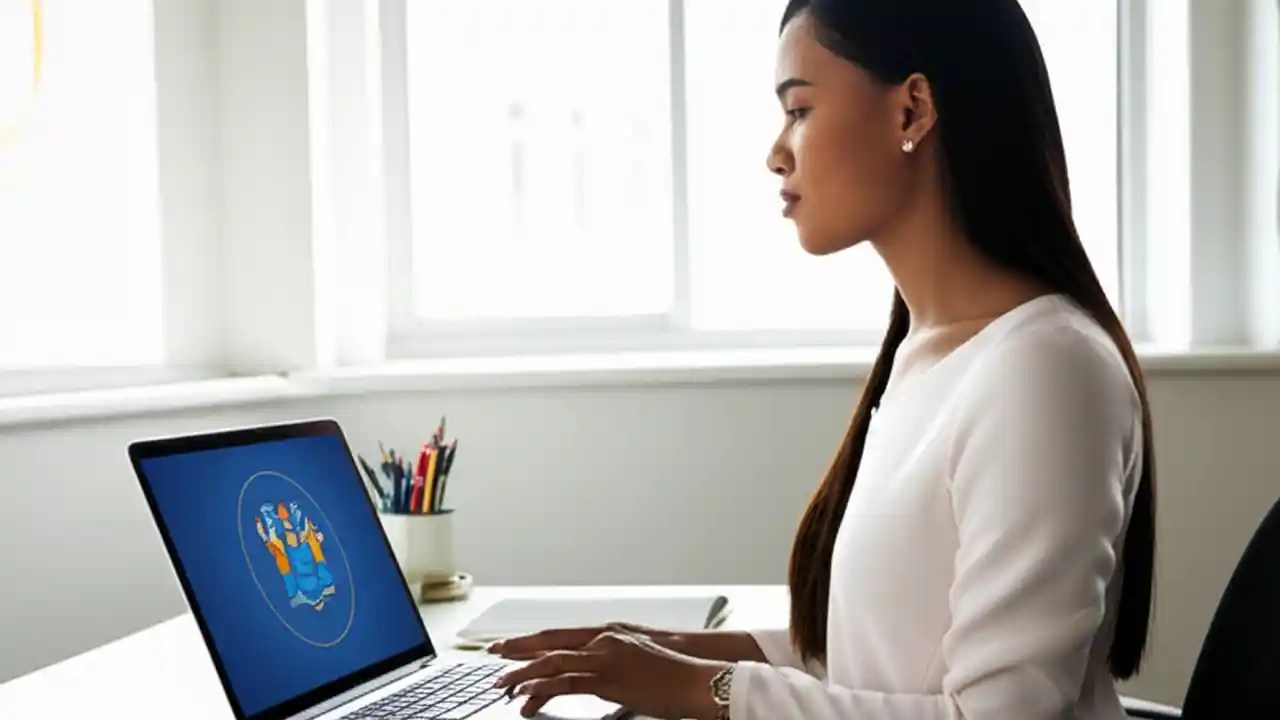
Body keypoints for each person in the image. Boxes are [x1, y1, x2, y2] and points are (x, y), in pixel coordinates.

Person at [490, 1, 1155, 717]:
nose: (778, 151)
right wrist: (654, 653)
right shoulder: (931, 354)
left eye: (799, 109)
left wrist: (698, 690)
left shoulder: (1044, 370)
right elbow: (879, 653)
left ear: (912, 111)